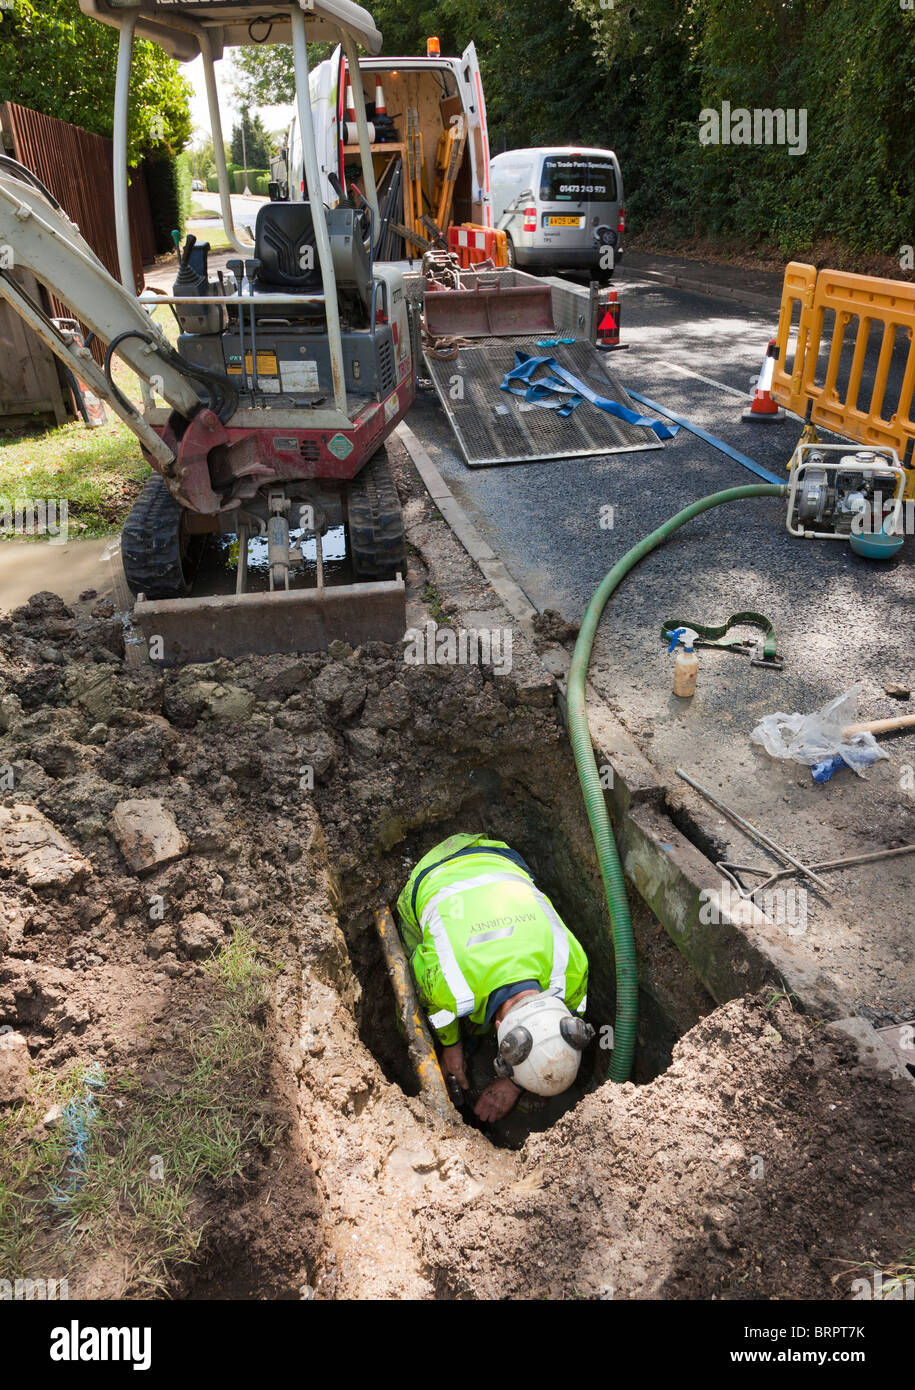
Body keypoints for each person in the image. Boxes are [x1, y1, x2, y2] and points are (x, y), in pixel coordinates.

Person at [396, 833, 593, 1123]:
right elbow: (438, 1012)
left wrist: (514, 1084)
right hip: (429, 876)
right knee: (417, 951)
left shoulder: (572, 970)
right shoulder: (450, 987)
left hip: (501, 860)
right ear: (498, 1026)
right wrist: (452, 1048)